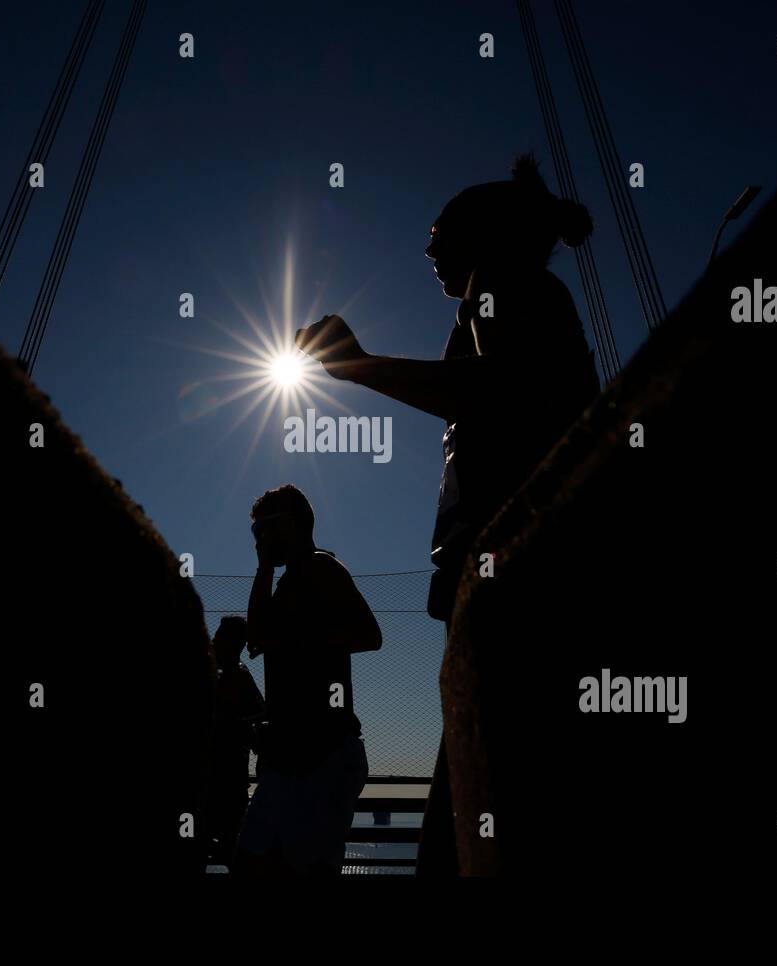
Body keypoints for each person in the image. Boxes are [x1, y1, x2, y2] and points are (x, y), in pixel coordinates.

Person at [294, 153, 601, 875]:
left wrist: (356, 365)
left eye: (443, 231)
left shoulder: (502, 288)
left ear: (488, 237)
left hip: (517, 576)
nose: (428, 248)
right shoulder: (522, 295)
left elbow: (495, 392)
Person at [233, 484, 382, 876]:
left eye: (264, 529)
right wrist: (265, 567)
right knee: (254, 862)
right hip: (290, 759)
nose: (259, 540)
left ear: (291, 525)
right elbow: (259, 635)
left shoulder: (322, 568)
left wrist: (296, 639)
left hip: (322, 757)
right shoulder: (289, 581)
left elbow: (370, 635)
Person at [204, 615, 266, 871]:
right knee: (229, 840)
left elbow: (259, 712)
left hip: (222, 773)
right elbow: (260, 712)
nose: (216, 639)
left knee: (225, 839)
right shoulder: (233, 672)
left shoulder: (235, 673)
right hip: (223, 773)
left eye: (221, 635)